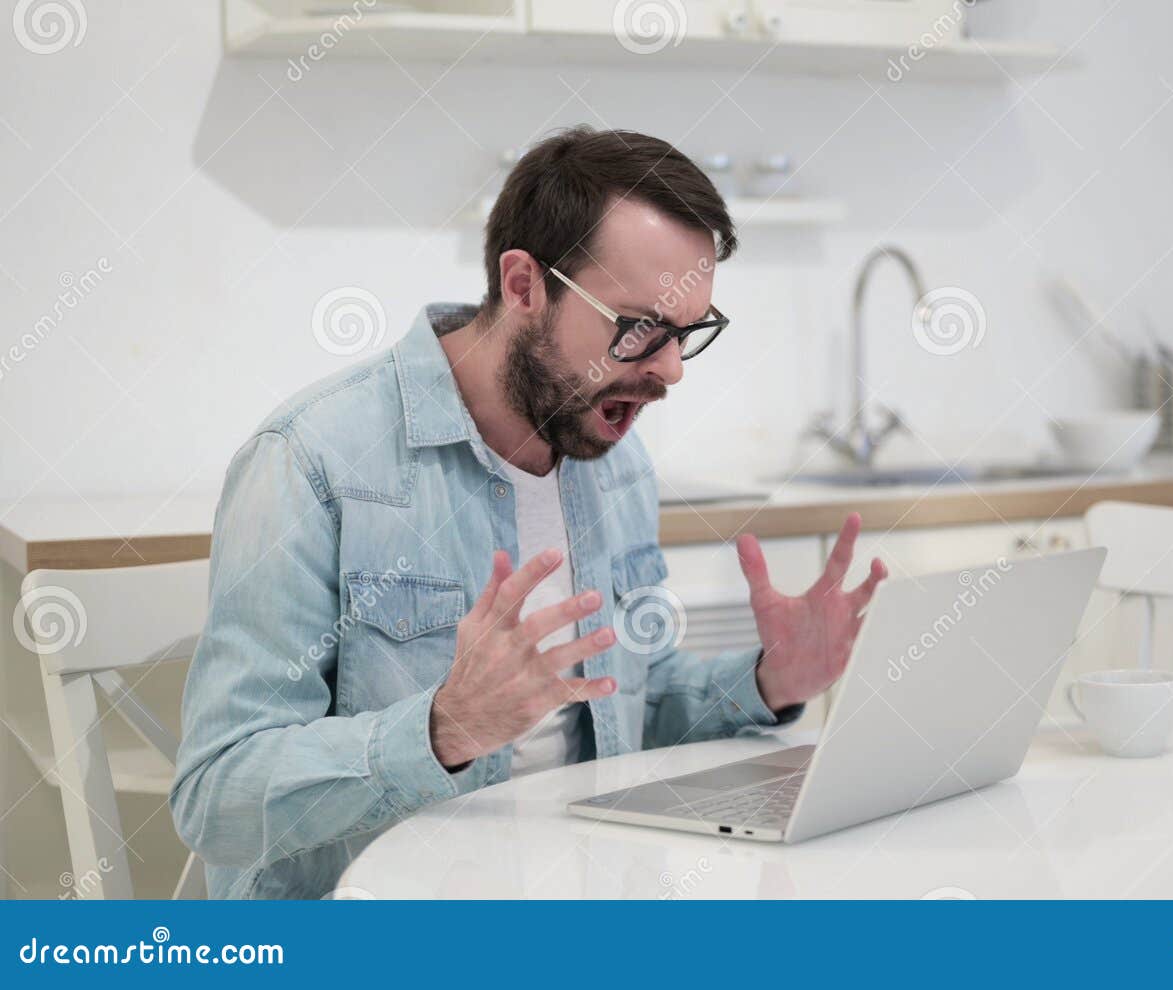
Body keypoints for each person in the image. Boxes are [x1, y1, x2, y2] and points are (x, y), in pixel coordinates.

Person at [170, 127, 888, 898]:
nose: (671, 370)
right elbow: (218, 797)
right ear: (522, 287)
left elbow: (624, 707)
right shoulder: (312, 461)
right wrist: (442, 729)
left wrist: (769, 680)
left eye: (689, 334)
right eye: (640, 329)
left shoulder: (614, 459)